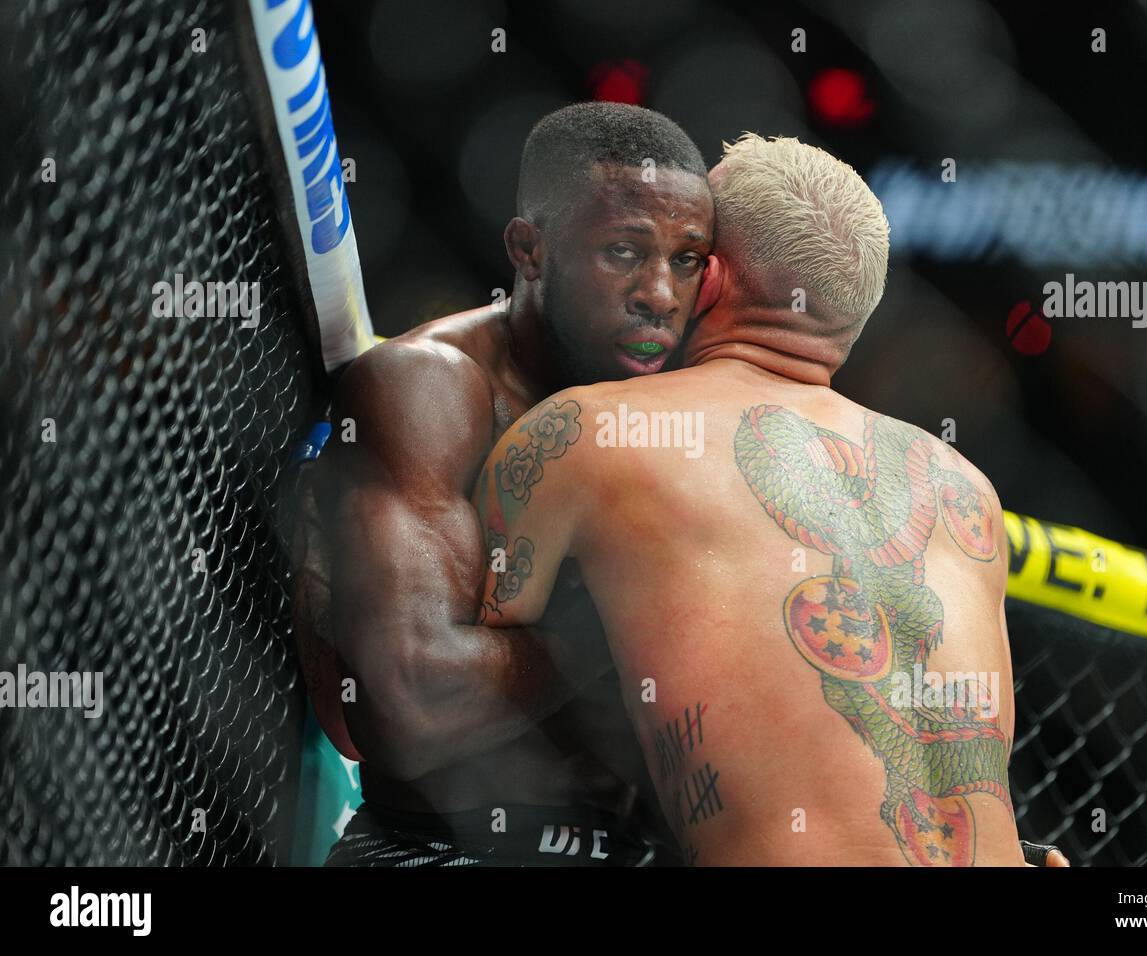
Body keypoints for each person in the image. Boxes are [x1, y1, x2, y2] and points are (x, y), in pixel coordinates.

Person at [473, 134, 1034, 865]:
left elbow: (442, 693)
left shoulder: (591, 431)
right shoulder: (963, 486)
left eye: (683, 254)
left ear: (707, 281)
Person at [297, 101, 714, 866]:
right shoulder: (429, 389)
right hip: (445, 848)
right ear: (529, 249)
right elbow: (411, 704)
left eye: (687, 260)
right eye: (626, 250)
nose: (660, 292)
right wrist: (610, 612)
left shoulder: (691, 407)